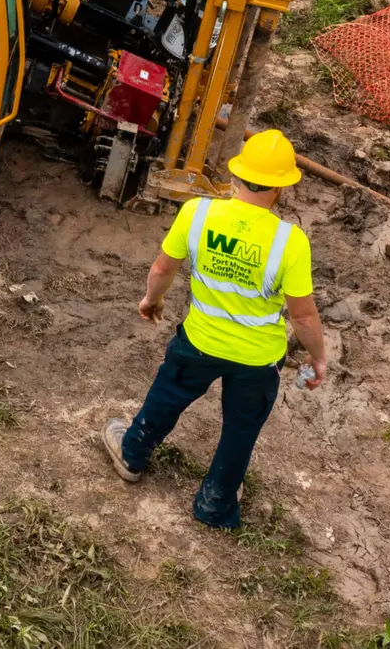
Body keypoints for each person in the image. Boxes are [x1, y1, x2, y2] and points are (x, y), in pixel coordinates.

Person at [101, 129, 328, 529]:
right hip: (257, 360)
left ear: (236, 176)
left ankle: (132, 454)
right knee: (242, 428)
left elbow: (162, 268)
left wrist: (151, 301)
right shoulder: (290, 242)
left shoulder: (198, 213)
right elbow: (304, 317)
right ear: (281, 188)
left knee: (167, 396)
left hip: (199, 342)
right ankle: (216, 501)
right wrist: (318, 357)